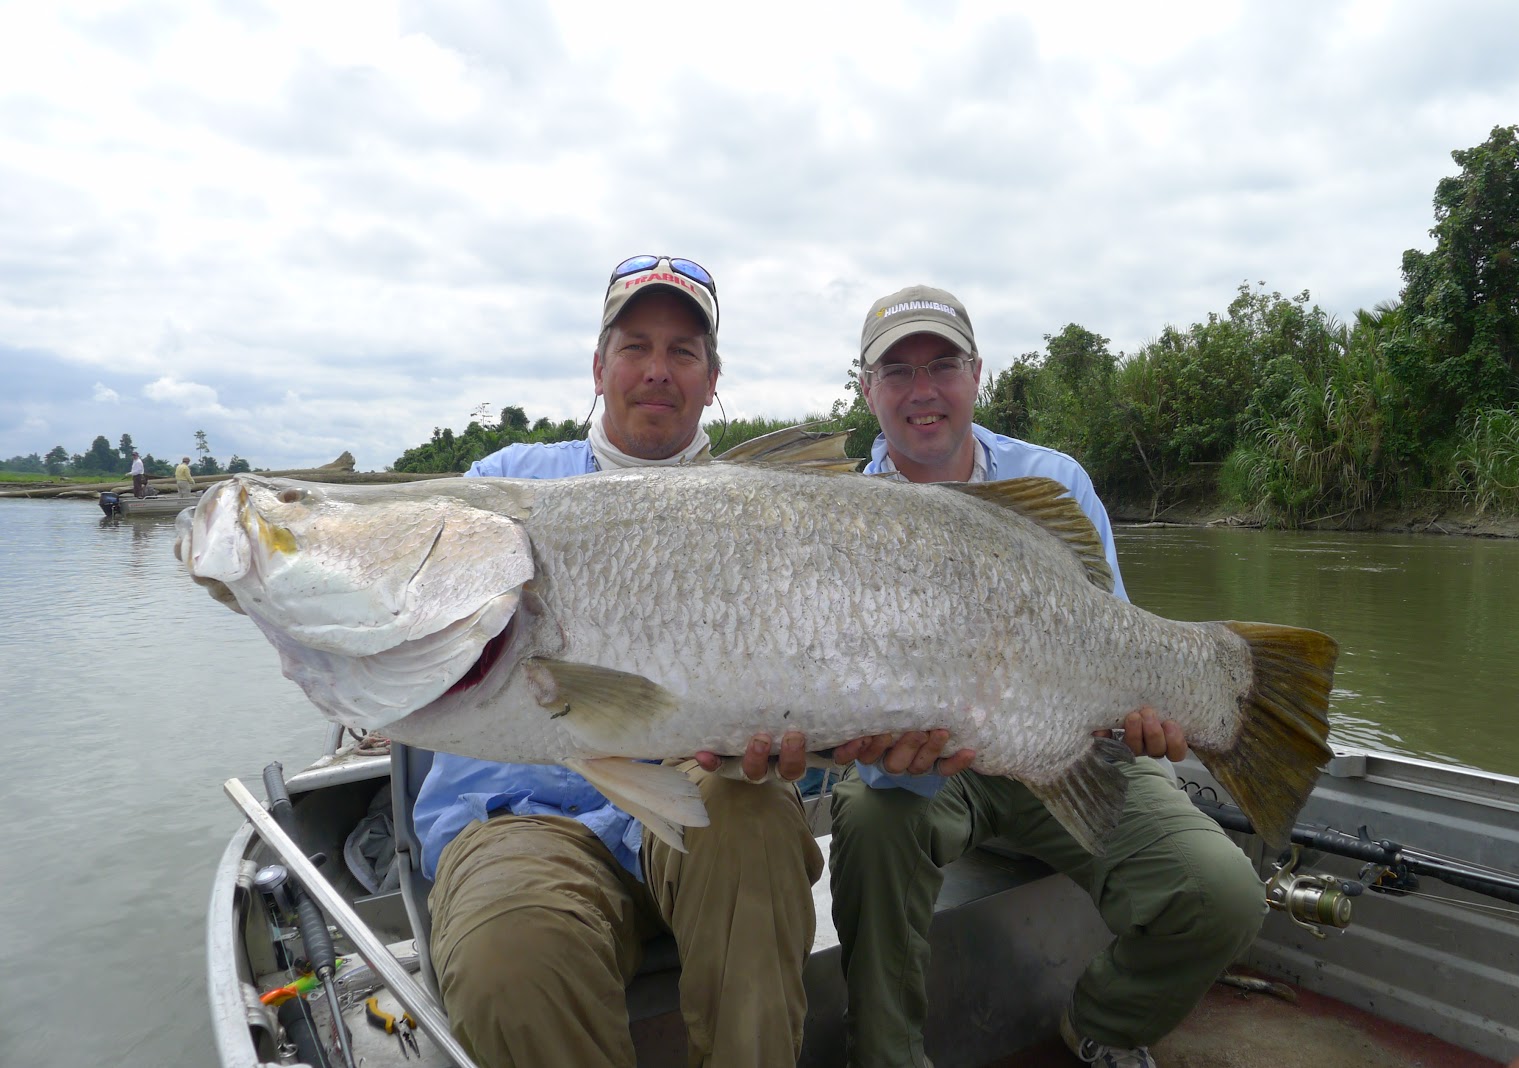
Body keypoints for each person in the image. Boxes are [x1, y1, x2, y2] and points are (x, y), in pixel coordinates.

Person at [827, 285, 1268, 1068]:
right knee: (867, 820)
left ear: (977, 374)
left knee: (1225, 895)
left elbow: (1113, 632)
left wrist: (1147, 710)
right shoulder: (838, 518)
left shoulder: (1052, 481)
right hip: (932, 770)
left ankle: (1103, 1021)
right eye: (897, 371)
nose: (922, 390)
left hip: (1070, 744)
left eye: (943, 365)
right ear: (866, 389)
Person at [411, 255, 827, 1068]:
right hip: (520, 815)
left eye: (683, 351)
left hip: (702, 800)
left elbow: (818, 696)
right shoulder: (501, 488)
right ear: (599, 368)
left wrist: (810, 749)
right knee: (508, 958)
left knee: (758, 826)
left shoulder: (775, 515)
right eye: (636, 346)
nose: (657, 370)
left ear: (713, 380)